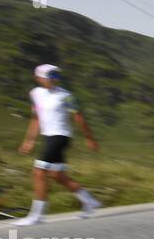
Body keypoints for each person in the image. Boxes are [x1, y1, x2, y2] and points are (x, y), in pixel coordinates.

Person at [15, 64, 102, 226]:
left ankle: (36, 216)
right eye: (50, 76)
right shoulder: (35, 93)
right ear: (39, 78)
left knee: (38, 172)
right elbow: (35, 118)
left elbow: (79, 117)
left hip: (61, 136)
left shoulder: (66, 96)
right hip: (48, 137)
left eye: (56, 76)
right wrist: (29, 140)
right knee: (57, 176)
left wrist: (89, 138)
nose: (54, 80)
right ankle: (90, 201)